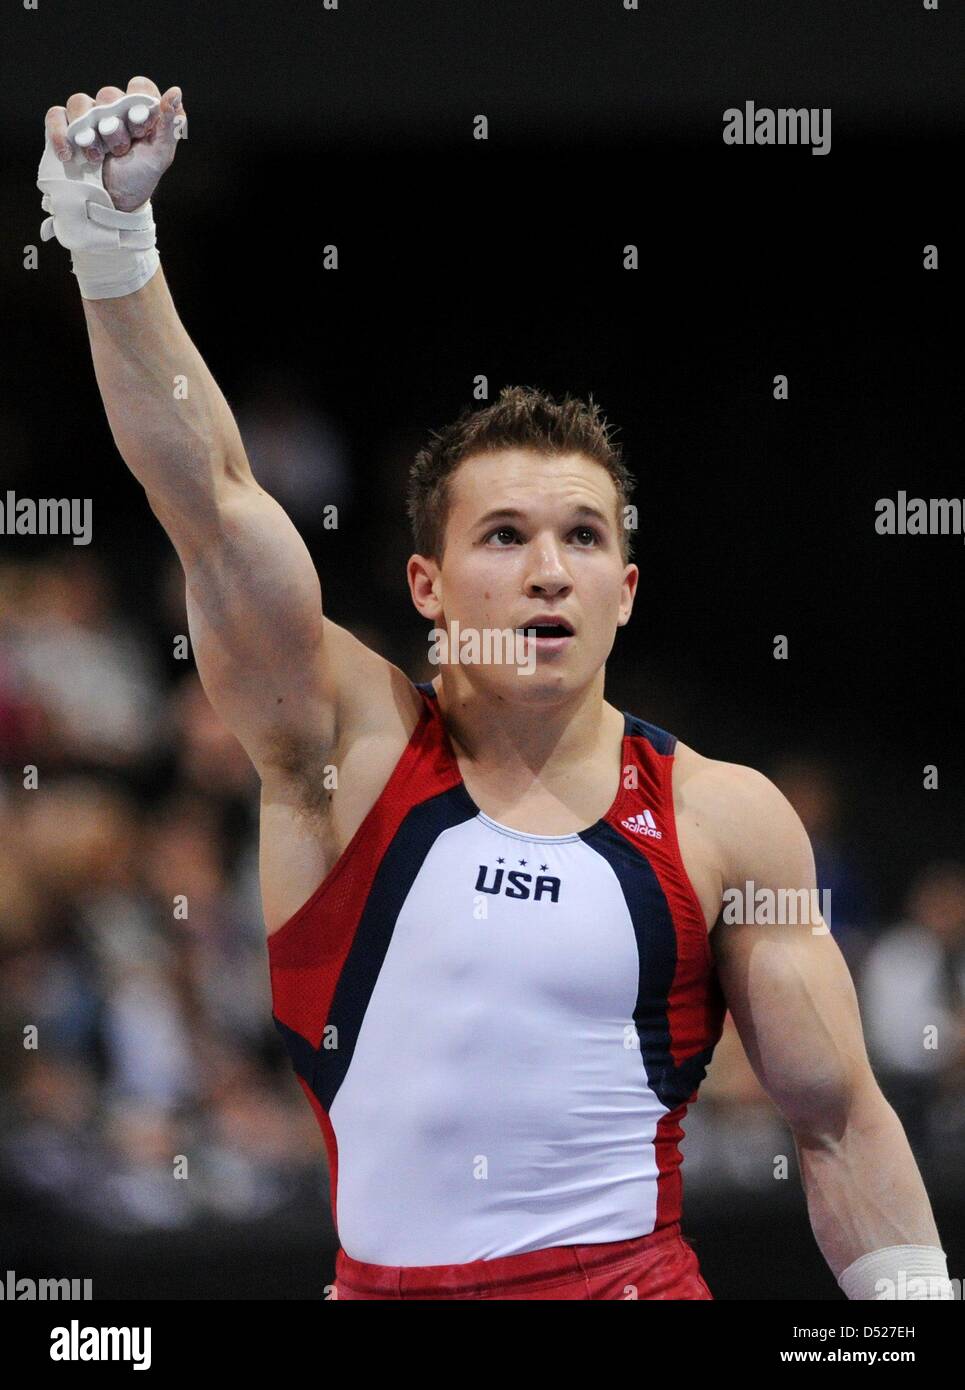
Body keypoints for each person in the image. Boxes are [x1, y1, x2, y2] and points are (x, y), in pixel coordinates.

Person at [38, 76, 953, 1301]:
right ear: (425, 582)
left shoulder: (726, 819)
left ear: (626, 589)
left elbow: (839, 1124)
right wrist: (111, 247)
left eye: (582, 538)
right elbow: (209, 500)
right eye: (504, 536)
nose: (546, 573)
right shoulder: (340, 747)